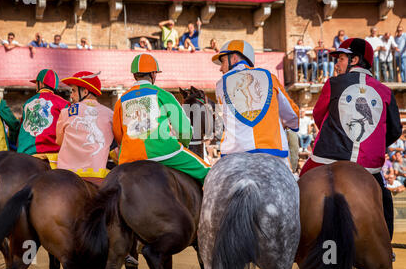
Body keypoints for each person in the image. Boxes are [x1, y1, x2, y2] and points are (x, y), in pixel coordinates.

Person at [299, 38, 402, 240]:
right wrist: (372, 143)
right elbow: (395, 130)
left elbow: (320, 116)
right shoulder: (386, 92)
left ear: (355, 60)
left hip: (327, 160)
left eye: (341, 58)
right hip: (368, 168)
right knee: (384, 199)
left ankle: (293, 240)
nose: (336, 64)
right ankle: (386, 246)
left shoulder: (333, 84)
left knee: (300, 185)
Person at [112, 53, 210, 184]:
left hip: (129, 157)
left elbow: (118, 135)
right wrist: (183, 145)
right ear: (153, 74)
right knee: (208, 172)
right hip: (162, 152)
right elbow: (184, 130)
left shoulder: (121, 100)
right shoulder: (163, 95)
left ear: (134, 75)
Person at [212, 40, 299, 169]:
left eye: (223, 61)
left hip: (234, 155)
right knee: (294, 186)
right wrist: (290, 124)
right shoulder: (271, 78)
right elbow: (293, 114)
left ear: (234, 58)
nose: (220, 68)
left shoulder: (220, 85)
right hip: (272, 153)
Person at [56, 71, 113, 186]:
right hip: (97, 176)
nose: (71, 96)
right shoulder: (110, 114)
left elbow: (60, 142)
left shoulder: (66, 112)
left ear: (85, 91)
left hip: (66, 175)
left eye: (73, 91)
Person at [17, 69, 70, 168]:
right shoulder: (64, 104)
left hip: (25, 155)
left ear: (40, 84)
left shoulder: (27, 103)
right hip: (51, 157)